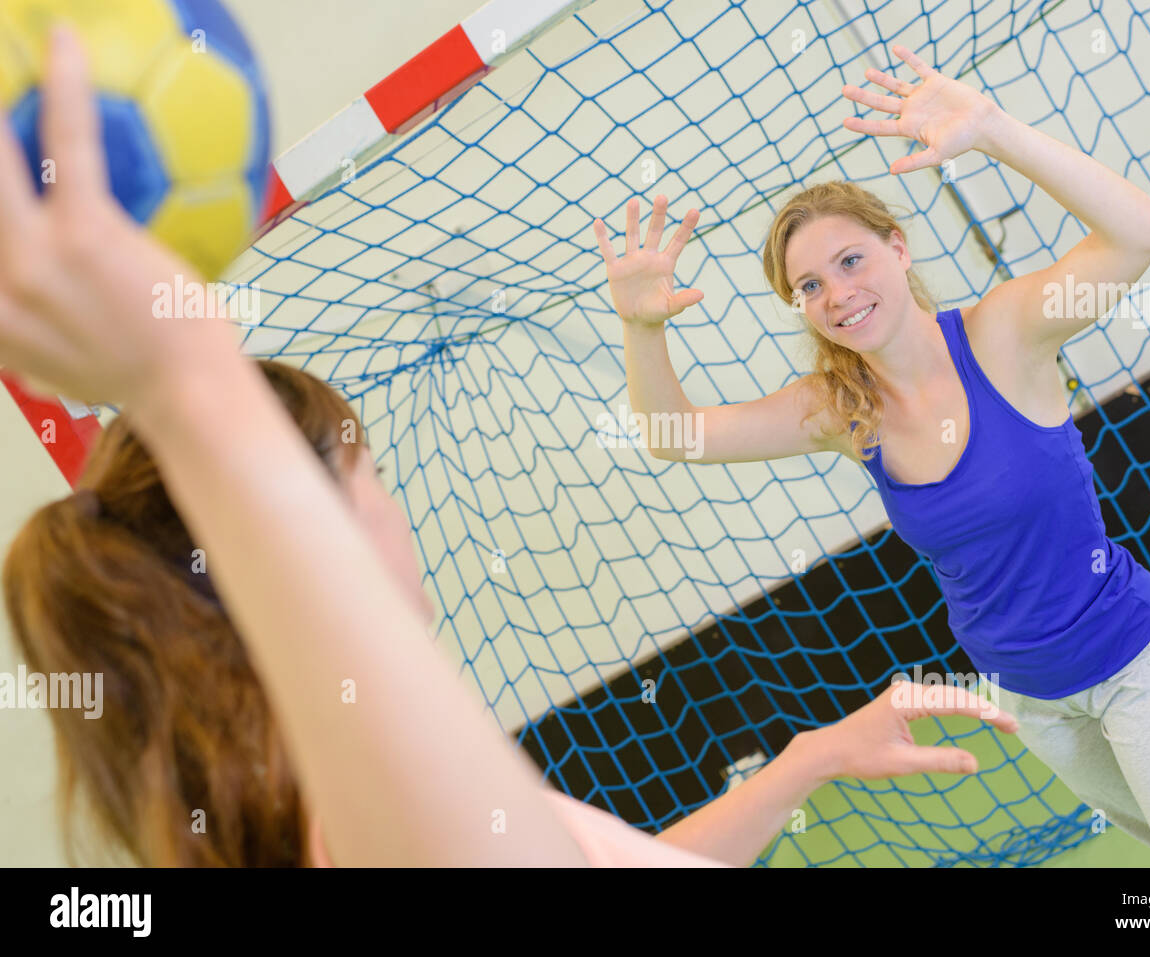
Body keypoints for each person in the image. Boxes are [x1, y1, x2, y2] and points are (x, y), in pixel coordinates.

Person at [0, 25, 1018, 868]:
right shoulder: (369, 826)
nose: (395, 510)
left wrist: (809, 758)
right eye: (367, 483)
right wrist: (179, 379)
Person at [592, 44, 1150, 867]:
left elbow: (1139, 232)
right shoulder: (840, 410)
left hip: (1134, 660)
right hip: (1033, 702)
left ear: (899, 247)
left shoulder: (1005, 334)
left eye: (849, 260)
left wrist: (994, 130)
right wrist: (642, 326)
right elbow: (677, 438)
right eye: (808, 286)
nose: (836, 293)